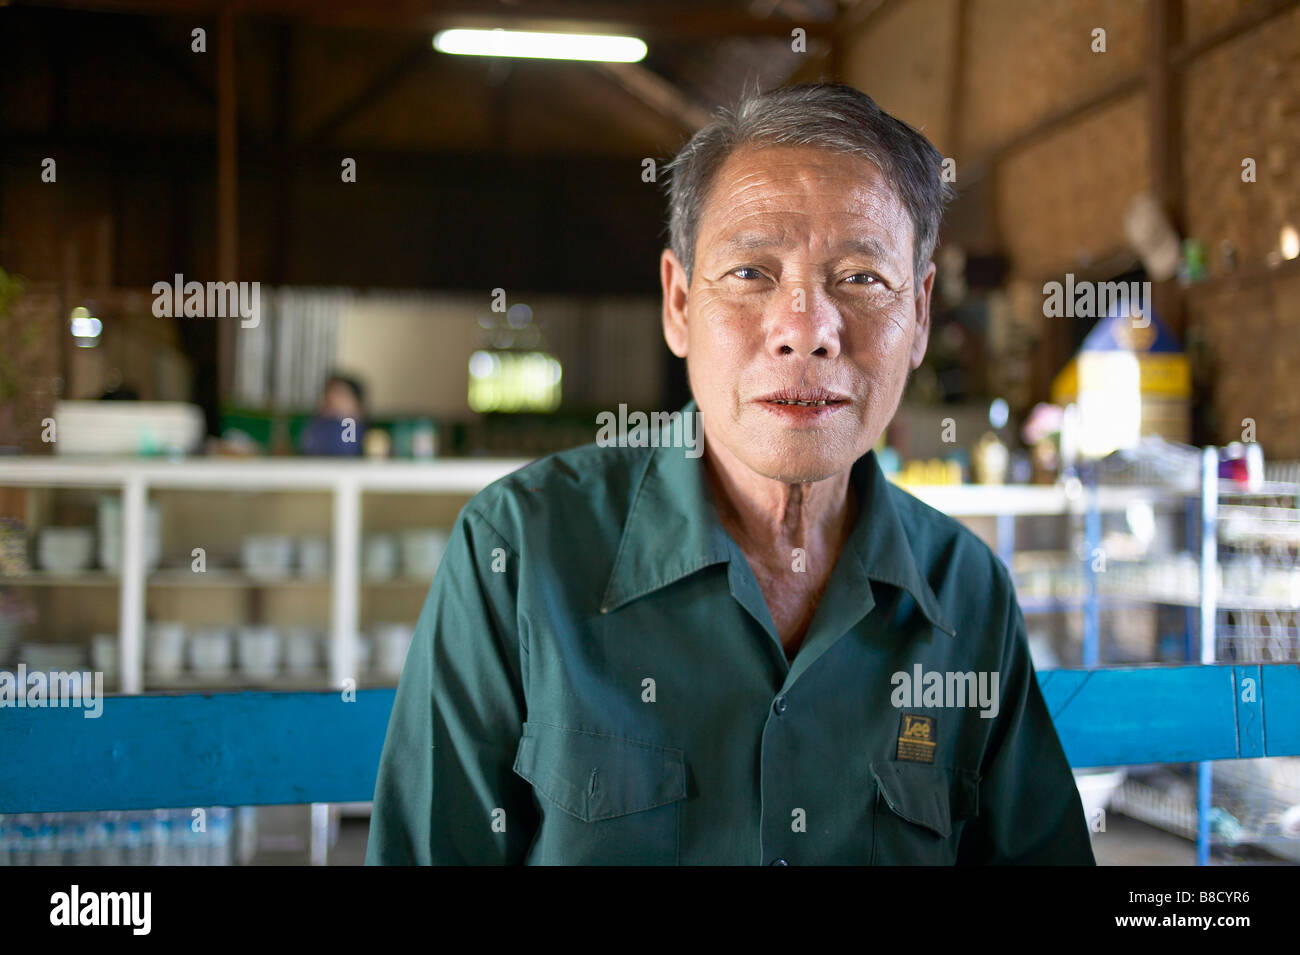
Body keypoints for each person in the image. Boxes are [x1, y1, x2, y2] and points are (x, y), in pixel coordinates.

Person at [367, 83, 1095, 865]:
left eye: (860, 278)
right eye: (750, 272)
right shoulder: (518, 553)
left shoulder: (967, 596)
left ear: (919, 316)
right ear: (679, 303)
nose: (805, 329)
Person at [298, 373, 366, 456]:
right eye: (327, 393)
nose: (332, 399)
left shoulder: (356, 428)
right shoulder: (316, 425)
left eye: (340, 394)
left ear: (357, 405)